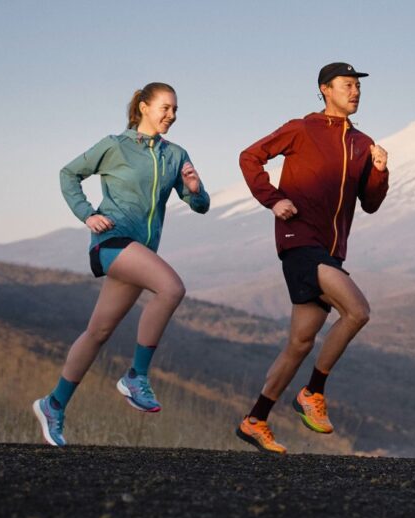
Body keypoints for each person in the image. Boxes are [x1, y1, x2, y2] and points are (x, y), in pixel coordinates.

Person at [33, 82, 210, 447]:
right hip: (112, 242)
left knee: (98, 332)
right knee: (172, 288)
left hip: (140, 251)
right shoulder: (114, 145)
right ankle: (136, 377)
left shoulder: (175, 155)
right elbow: (68, 174)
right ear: (144, 107)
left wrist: (195, 188)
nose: (171, 115)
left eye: (175, 110)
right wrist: (87, 214)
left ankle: (53, 404)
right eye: (164, 107)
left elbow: (200, 206)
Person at [234, 63, 390, 453]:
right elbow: (249, 157)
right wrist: (274, 199)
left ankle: (255, 419)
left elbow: (369, 204)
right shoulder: (301, 129)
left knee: (300, 343)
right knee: (357, 311)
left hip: (331, 250)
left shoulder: (363, 143)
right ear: (325, 89)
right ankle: (313, 392)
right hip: (299, 240)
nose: (355, 91)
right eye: (347, 85)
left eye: (358, 86)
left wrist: (380, 171)